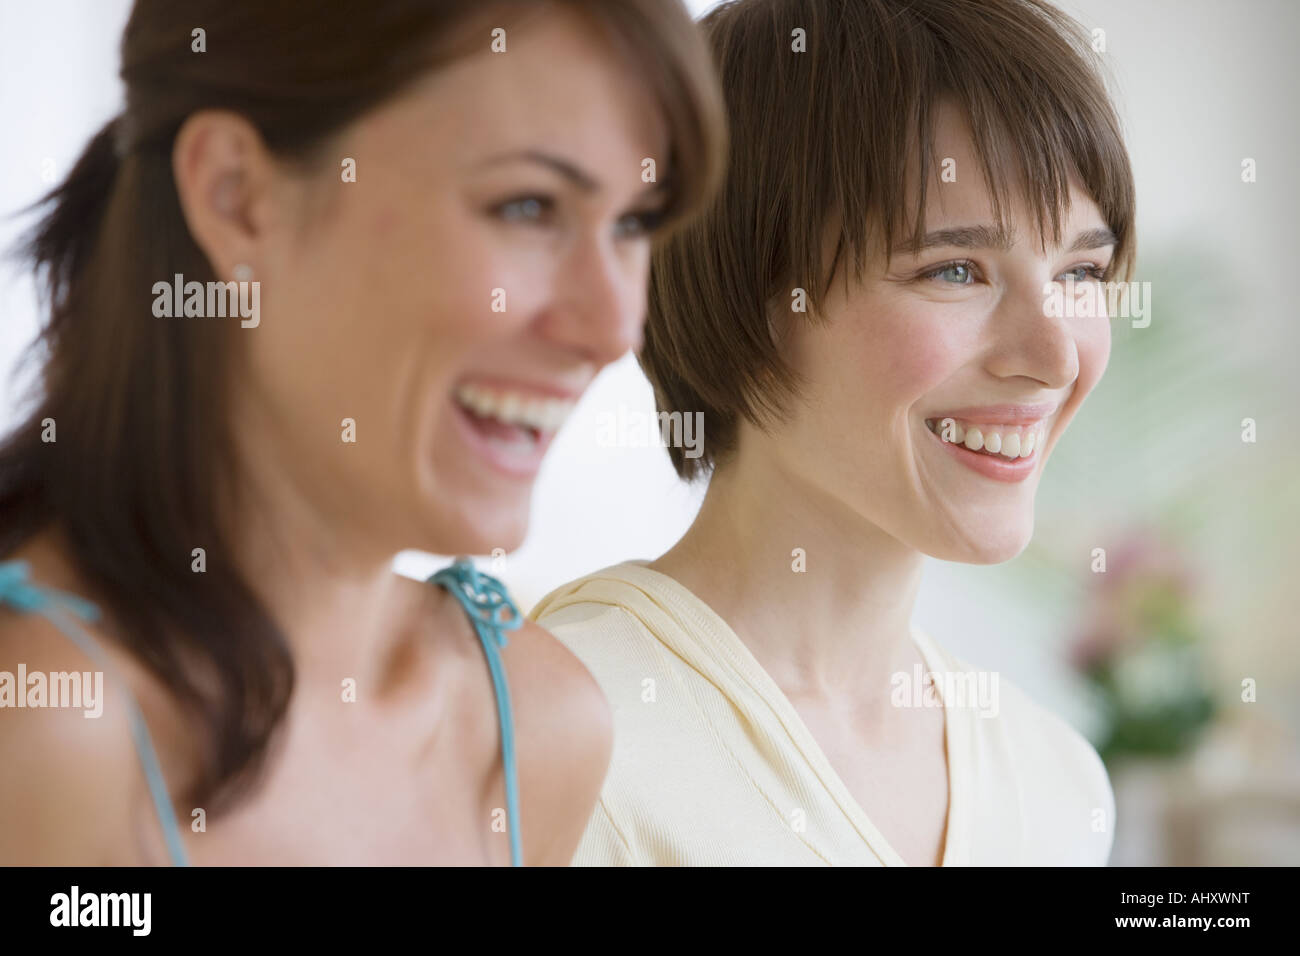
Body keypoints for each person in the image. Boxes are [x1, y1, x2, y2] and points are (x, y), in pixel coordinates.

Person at [0, 0, 725, 865]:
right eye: (528, 207)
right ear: (237, 196)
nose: (614, 328)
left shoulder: (536, 728)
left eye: (635, 223)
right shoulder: (43, 728)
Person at [532, 0, 1136, 865]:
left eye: (1080, 269)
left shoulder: (1058, 781)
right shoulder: (565, 745)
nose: (1054, 356)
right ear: (742, 293)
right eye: (955, 270)